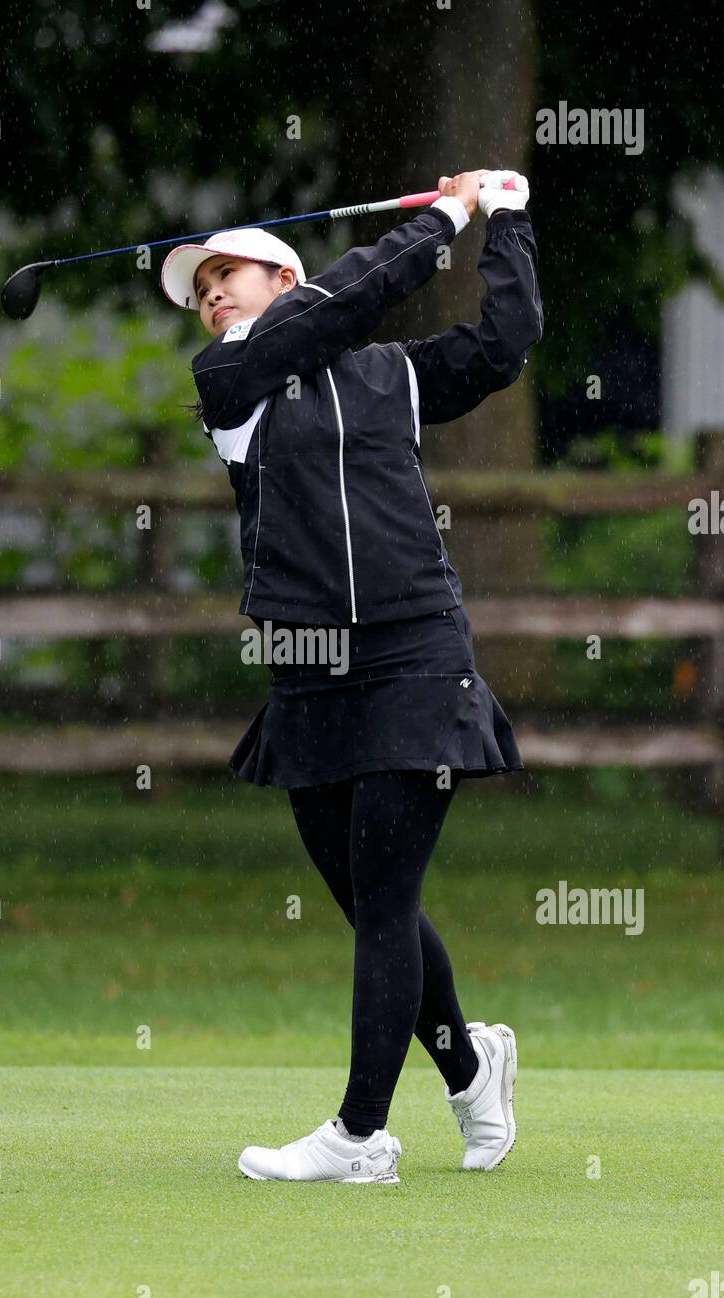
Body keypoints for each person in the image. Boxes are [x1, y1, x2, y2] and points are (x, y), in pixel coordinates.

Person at [161, 168, 543, 1183]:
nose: (210, 295)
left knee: (383, 898)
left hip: (415, 651)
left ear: (283, 273)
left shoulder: (389, 374)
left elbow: (502, 345)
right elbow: (342, 303)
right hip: (304, 669)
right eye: (200, 288)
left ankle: (359, 1136)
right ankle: (471, 1067)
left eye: (225, 274)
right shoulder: (229, 380)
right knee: (373, 898)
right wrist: (439, 219)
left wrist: (501, 220)